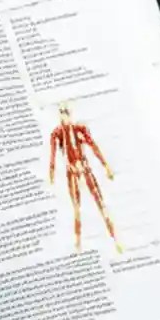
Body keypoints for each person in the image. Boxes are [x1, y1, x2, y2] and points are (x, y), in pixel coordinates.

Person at [48, 102, 122, 253]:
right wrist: (52, 175)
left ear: (70, 114)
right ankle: (78, 245)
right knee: (76, 208)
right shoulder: (57, 133)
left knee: (101, 204)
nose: (64, 116)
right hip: (72, 171)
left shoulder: (80, 129)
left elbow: (93, 146)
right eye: (62, 113)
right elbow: (53, 155)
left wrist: (106, 166)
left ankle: (115, 240)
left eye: (66, 113)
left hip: (85, 168)